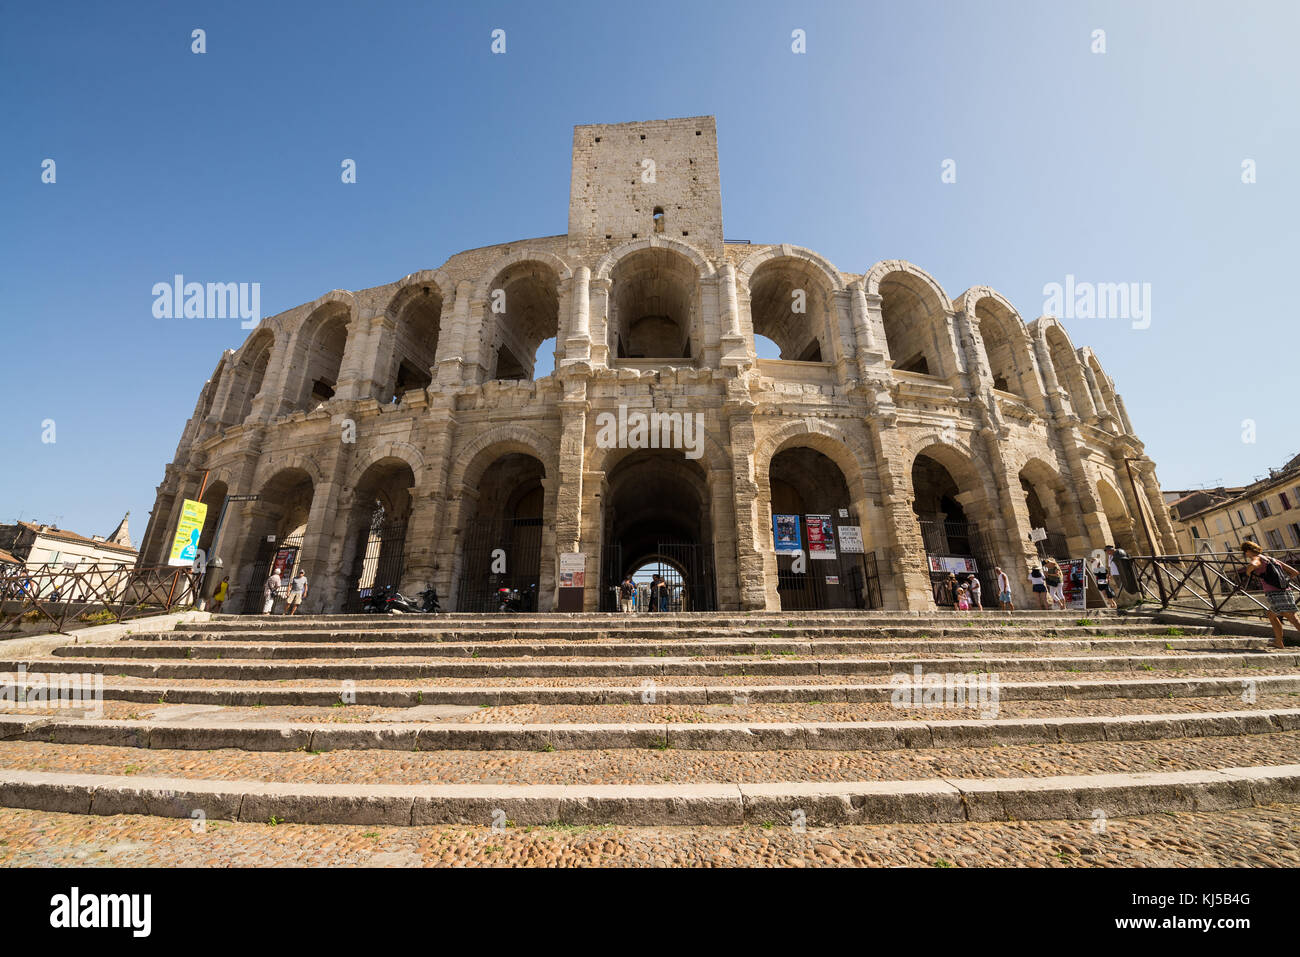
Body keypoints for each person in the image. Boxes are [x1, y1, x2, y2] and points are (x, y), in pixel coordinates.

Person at [1241, 540, 1300, 650]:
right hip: (1286, 590)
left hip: (1274, 593)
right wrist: (1284, 581)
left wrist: (1248, 571)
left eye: (1245, 552)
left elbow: (1254, 564)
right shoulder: (1273, 559)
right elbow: (1295, 572)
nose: (1245, 555)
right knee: (1272, 615)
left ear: (1248, 551)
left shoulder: (1257, 558)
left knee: (1293, 618)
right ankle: (1278, 642)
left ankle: (1279, 642)